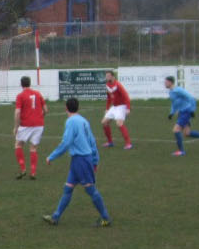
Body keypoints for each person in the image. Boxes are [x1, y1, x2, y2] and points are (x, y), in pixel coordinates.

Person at [42, 97, 112, 227]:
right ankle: (55, 217)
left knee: (90, 189)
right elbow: (92, 141)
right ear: (78, 108)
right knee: (67, 188)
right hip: (80, 160)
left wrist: (51, 156)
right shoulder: (83, 121)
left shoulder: (71, 121)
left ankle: (106, 218)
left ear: (66, 108)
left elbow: (66, 143)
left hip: (81, 160)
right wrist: (95, 160)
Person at [165, 76, 199, 156]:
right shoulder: (171, 92)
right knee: (187, 133)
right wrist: (171, 113)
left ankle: (181, 151)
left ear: (170, 82)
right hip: (181, 112)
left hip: (186, 111)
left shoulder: (178, 90)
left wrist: (192, 110)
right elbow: (174, 104)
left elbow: (191, 98)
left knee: (176, 130)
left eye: (166, 82)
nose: (165, 84)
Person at [12, 75, 46, 180]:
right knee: (33, 148)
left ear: (21, 84)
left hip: (26, 125)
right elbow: (46, 110)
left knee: (18, 145)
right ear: (29, 83)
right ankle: (33, 173)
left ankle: (23, 169)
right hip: (39, 125)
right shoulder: (38, 94)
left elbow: (17, 112)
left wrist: (15, 127)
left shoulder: (20, 96)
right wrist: (40, 117)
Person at [101, 70, 133, 149]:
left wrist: (128, 108)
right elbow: (109, 98)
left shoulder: (118, 84)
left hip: (122, 106)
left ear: (112, 76)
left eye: (108, 76)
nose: (107, 77)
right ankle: (110, 142)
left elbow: (126, 96)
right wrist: (107, 108)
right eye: (106, 76)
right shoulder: (107, 85)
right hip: (114, 107)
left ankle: (128, 144)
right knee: (104, 122)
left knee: (119, 123)